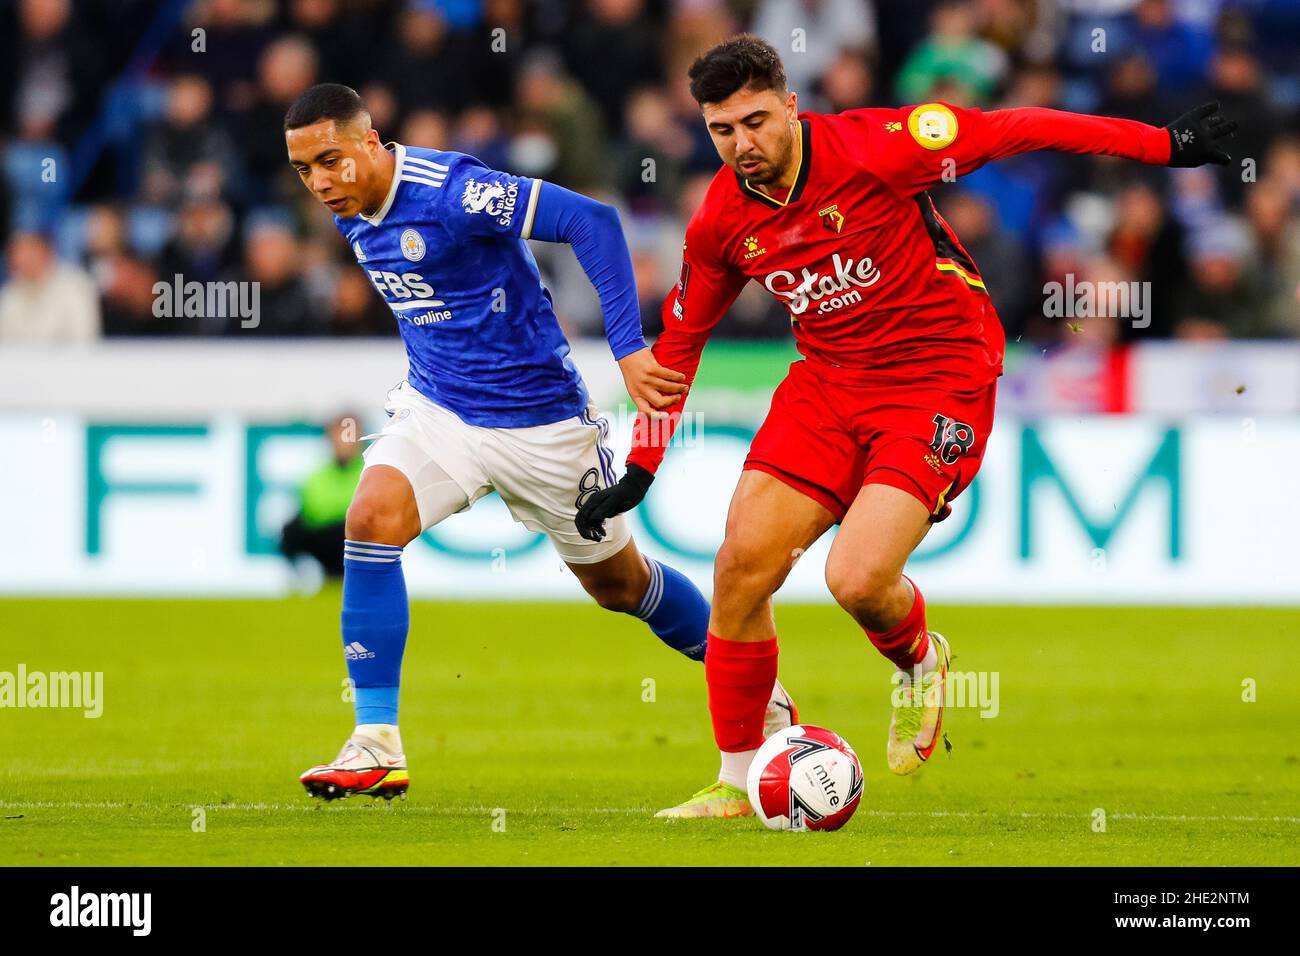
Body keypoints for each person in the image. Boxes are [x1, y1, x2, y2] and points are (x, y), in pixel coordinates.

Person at [576, 35, 1236, 819]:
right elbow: (681, 346)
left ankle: (920, 662)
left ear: (791, 106)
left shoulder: (879, 147)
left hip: (938, 378)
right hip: (828, 385)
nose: (742, 145)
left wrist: (1163, 145)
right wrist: (642, 468)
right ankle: (736, 777)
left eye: (755, 121)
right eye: (722, 130)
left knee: (856, 580)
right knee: (740, 570)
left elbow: (1016, 126)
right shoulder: (721, 220)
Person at [283, 83, 797, 801]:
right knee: (368, 519)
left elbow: (591, 220)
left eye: (331, 160)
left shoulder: (453, 190)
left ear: (371, 142)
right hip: (439, 411)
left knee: (621, 587)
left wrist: (628, 348)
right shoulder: (350, 211)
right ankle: (375, 742)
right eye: (304, 169)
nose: (320, 182)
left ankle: (763, 698)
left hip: (542, 425)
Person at [279, 412, 365, 578]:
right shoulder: (318, 476)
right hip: (326, 537)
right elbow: (312, 511)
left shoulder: (368, 471)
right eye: (339, 435)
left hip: (356, 538)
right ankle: (303, 577)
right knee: (291, 530)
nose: (344, 442)